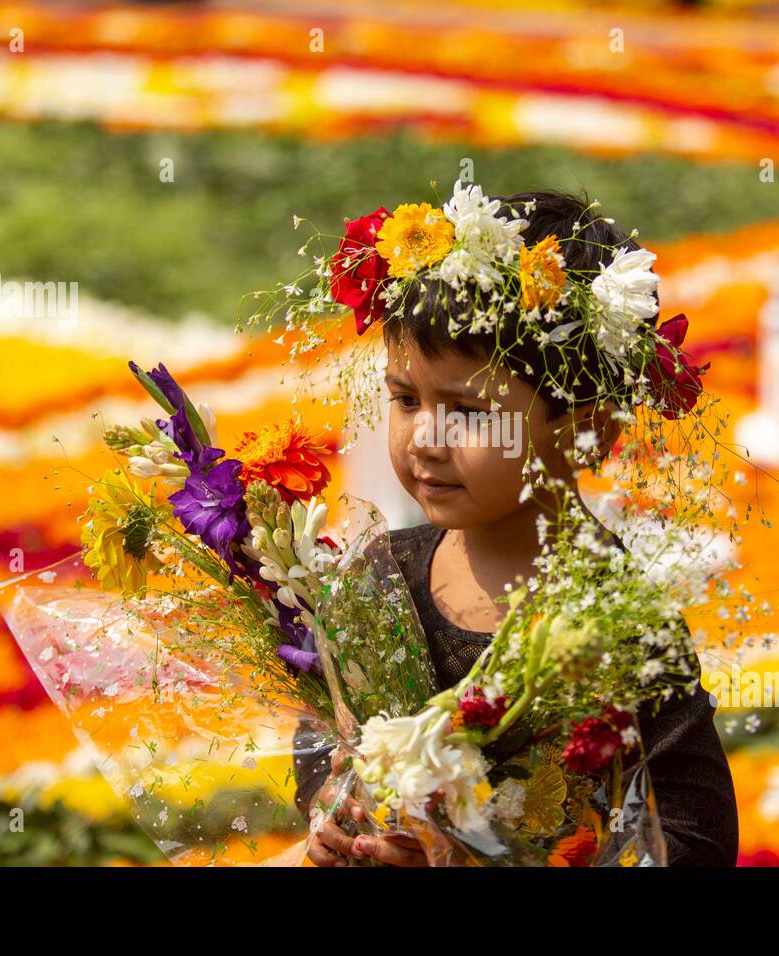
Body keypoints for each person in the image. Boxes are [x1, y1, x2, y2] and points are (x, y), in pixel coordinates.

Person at [294, 188, 739, 867]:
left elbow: (697, 837)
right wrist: (337, 811)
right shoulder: (382, 573)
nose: (426, 438)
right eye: (406, 399)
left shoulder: (613, 620)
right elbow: (323, 737)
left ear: (586, 430)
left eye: (468, 411)